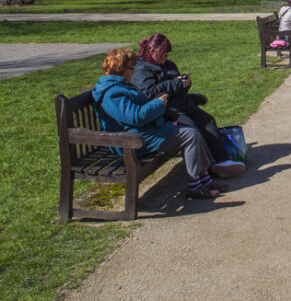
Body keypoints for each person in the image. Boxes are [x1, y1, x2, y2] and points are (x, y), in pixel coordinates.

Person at [92, 48, 225, 200]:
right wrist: (158, 104)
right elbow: (135, 117)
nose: (133, 72)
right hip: (132, 141)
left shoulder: (120, 86)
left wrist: (157, 103)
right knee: (190, 135)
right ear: (120, 69)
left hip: (143, 133)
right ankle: (195, 186)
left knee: (191, 131)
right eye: (131, 68)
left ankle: (205, 180)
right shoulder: (111, 93)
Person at [131, 33, 244, 175]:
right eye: (164, 55)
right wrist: (176, 83)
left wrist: (185, 84)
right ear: (153, 51)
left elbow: (175, 84)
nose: (166, 59)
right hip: (166, 111)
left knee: (207, 121)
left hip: (184, 104)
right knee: (192, 128)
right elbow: (150, 92)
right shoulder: (141, 69)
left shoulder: (169, 65)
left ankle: (221, 160)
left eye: (167, 55)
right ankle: (207, 169)